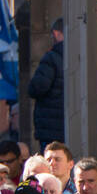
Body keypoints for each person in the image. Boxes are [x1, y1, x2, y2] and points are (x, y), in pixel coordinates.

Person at [27, 18, 64, 146]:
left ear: (56, 33)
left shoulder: (51, 58)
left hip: (50, 128)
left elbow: (37, 87)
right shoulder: (78, 53)